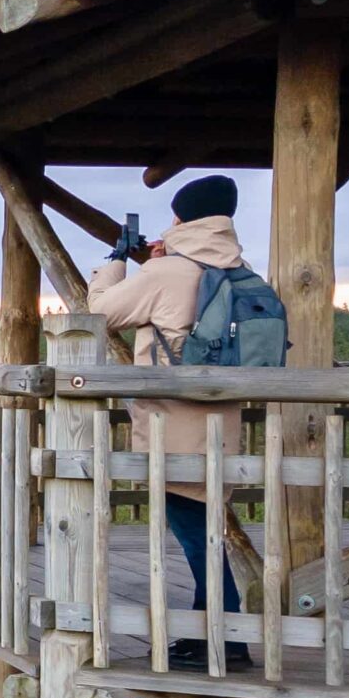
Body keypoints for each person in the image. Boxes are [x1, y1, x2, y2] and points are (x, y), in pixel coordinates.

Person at [87, 173, 255, 671]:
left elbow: (99, 312)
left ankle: (223, 640)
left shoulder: (167, 273)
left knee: (198, 539)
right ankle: (216, 638)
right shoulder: (241, 271)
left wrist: (116, 263)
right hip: (222, 429)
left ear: (182, 217)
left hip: (172, 428)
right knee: (206, 535)